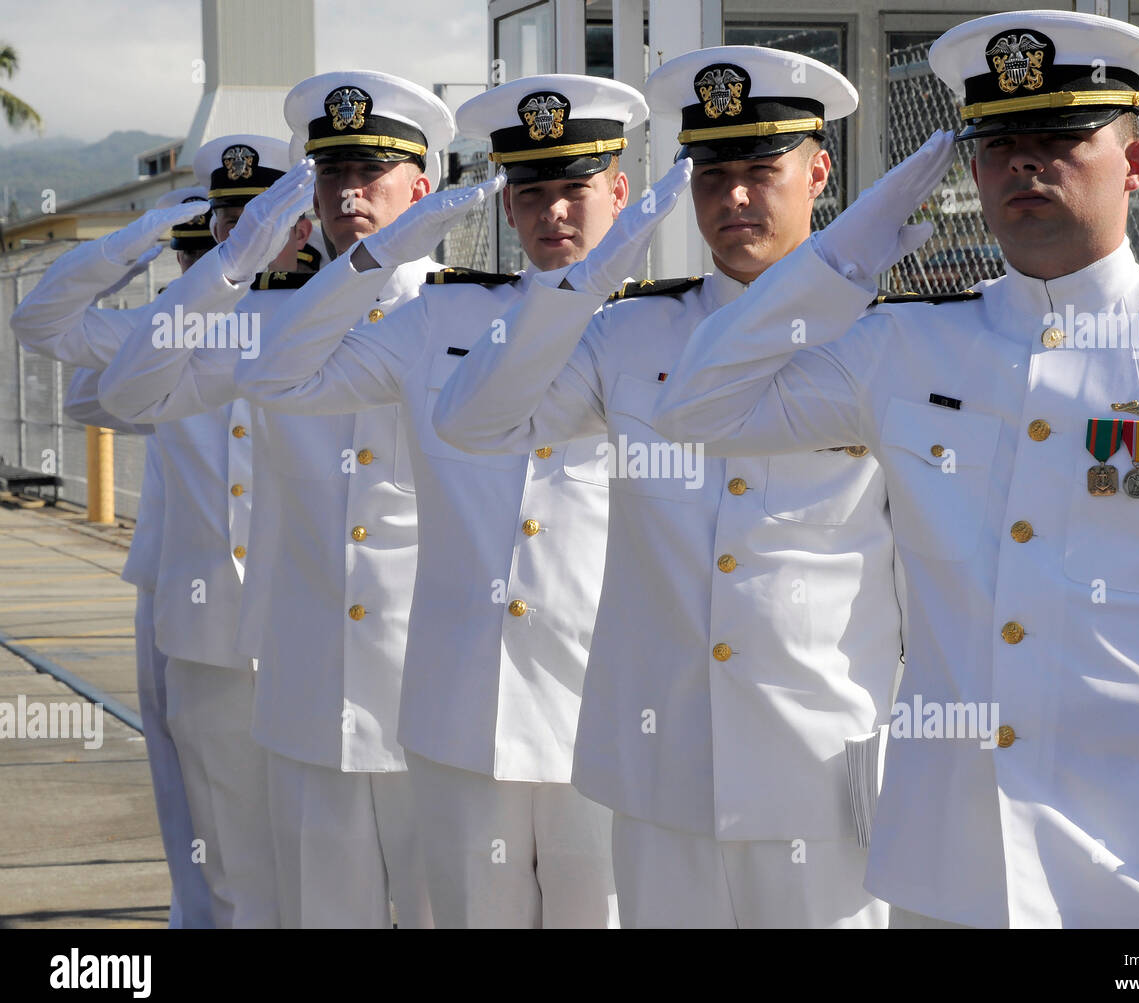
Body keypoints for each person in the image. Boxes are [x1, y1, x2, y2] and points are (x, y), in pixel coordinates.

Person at [652, 10, 1139, 928]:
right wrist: (845, 251)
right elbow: (693, 408)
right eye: (998, 145)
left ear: (1138, 165)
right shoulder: (908, 344)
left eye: (1061, 139)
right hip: (950, 872)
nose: (1025, 165)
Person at [431, 46, 902, 929]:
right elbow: (472, 422)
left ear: (819, 173)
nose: (734, 199)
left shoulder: (888, 342)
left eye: (762, 171)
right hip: (662, 777)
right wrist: (574, 290)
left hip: (824, 778)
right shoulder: (632, 333)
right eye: (712, 174)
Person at [234, 73, 649, 928]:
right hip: (463, 720)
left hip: (598, 717)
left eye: (575, 190)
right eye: (531, 194)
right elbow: (277, 376)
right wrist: (373, 257)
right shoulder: (444, 321)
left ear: (620, 191)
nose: (554, 215)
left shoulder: (660, 333)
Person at [97, 72, 472, 929]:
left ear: (422, 188)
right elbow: (126, 391)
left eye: (371, 173)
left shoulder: (471, 316)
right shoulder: (266, 319)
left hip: (427, 693)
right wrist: (229, 265)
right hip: (307, 694)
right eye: (332, 174)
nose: (350, 195)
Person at [19, 185, 217, 928]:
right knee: (183, 775)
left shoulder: (294, 324)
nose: (207, 263)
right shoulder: (166, 332)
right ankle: (195, 915)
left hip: (288, 586)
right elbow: (78, 389)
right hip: (173, 573)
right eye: (195, 247)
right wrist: (131, 249)